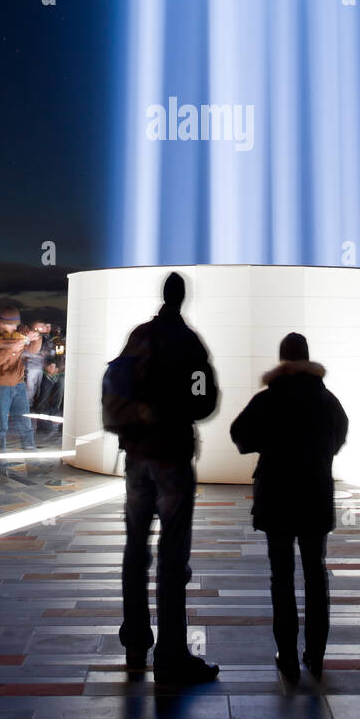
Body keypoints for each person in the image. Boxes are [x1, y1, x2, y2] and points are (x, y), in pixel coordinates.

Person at [112, 271, 219, 684]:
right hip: (172, 456)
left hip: (136, 456)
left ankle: (136, 641)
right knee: (173, 556)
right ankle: (172, 657)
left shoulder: (138, 335)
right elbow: (204, 400)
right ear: (184, 297)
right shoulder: (188, 341)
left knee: (135, 547)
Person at [230, 332, 348, 683]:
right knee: (315, 573)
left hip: (277, 495)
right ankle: (316, 654)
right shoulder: (327, 400)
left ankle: (288, 655)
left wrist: (268, 444)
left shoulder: (268, 399)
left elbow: (240, 436)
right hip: (315, 493)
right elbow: (339, 436)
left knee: (280, 576)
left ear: (282, 360)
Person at [0, 309, 42, 479]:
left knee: (26, 428)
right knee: (1, 429)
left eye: (16, 322)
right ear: (0, 323)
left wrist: (36, 335)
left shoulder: (18, 334)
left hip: (19, 386)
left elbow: (33, 350)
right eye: (10, 322)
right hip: (0, 387)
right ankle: (1, 468)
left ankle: (33, 465)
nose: (14, 326)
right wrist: (12, 349)